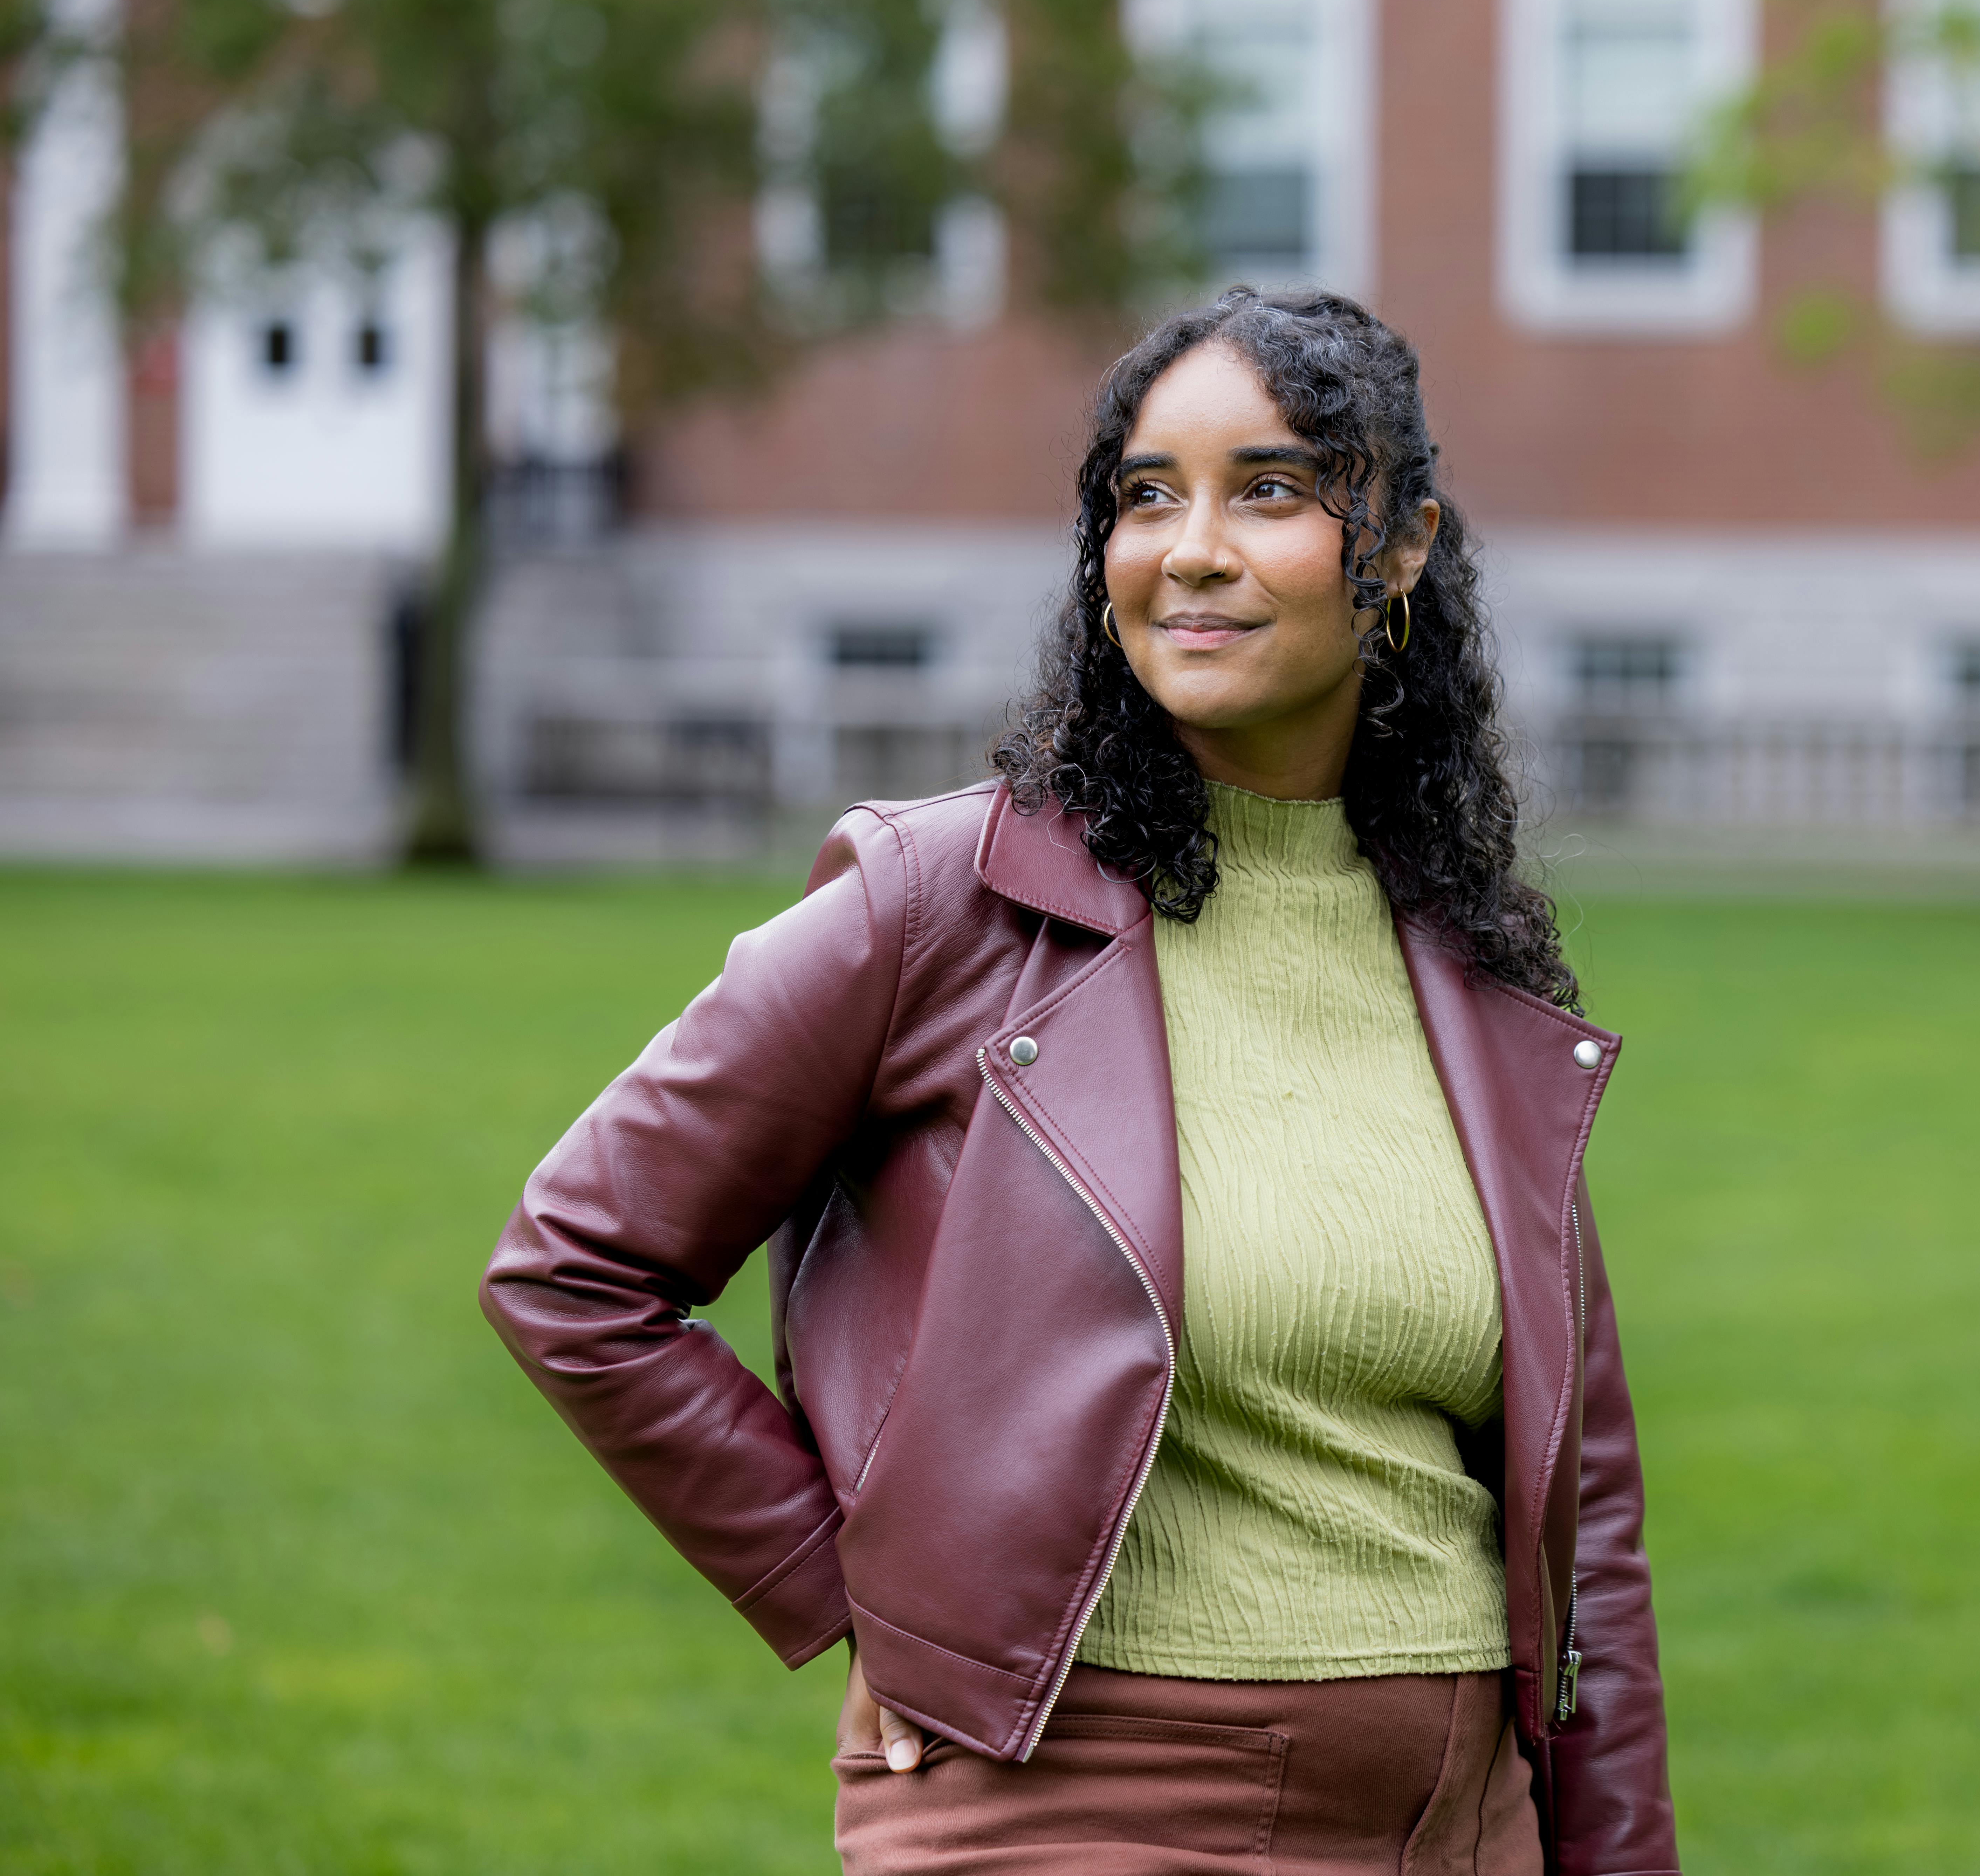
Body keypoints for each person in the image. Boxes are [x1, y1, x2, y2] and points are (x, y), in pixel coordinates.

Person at [481, 288, 1678, 1876]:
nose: (1188, 547)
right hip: (1078, 1810)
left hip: (1460, 1827)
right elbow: (576, 1262)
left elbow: (1580, 1516)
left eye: (1268, 490)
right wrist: (872, 1607)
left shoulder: (1466, 969)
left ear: (1396, 549)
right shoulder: (939, 905)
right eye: (1142, 495)